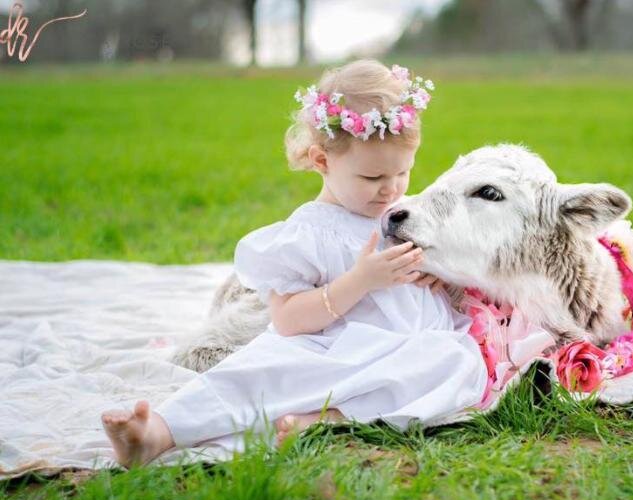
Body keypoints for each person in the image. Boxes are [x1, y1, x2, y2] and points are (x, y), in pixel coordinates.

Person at [101, 59, 489, 468]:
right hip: (332, 345)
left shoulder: (402, 212)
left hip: (413, 346)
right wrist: (360, 280)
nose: (391, 189)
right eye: (372, 178)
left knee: (457, 362)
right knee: (263, 373)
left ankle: (327, 421)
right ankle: (157, 433)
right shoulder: (309, 233)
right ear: (323, 161)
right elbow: (286, 321)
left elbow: (444, 258)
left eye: (404, 172)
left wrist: (433, 272)